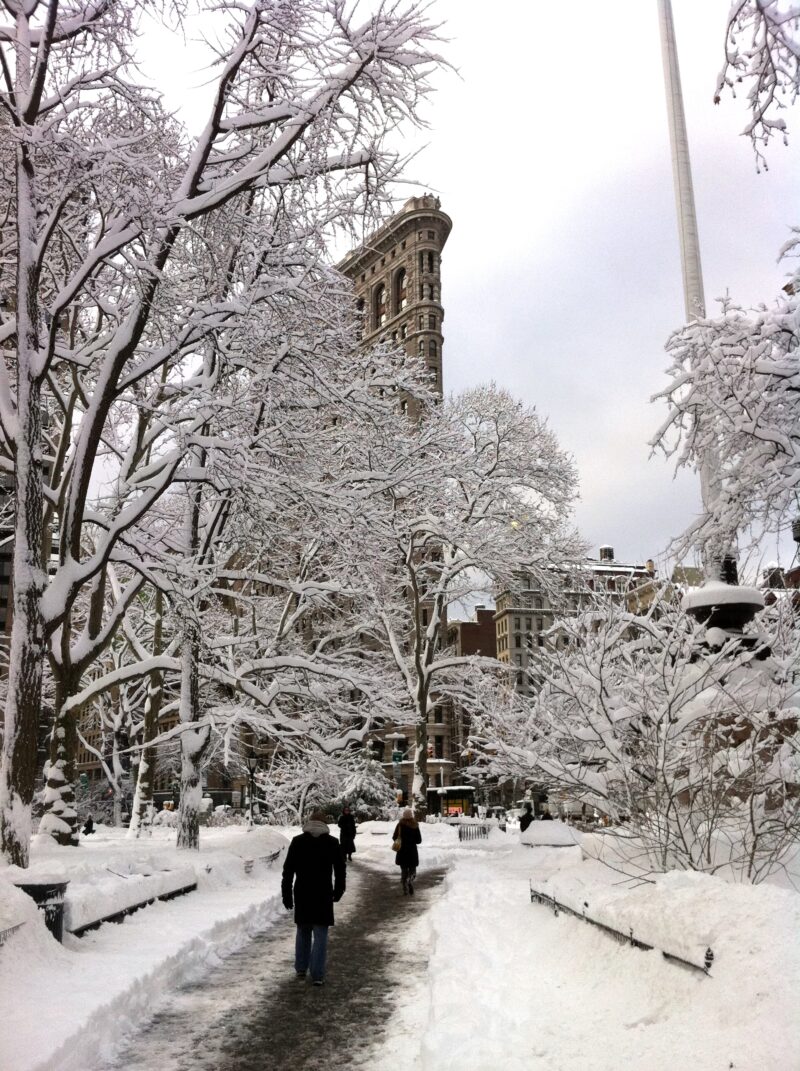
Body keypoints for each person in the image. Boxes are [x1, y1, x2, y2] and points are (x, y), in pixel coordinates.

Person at [281, 811, 346, 986]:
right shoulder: (332, 843)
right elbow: (340, 870)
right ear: (325, 825)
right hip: (323, 893)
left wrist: (286, 894)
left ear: (309, 823)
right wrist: (339, 890)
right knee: (320, 934)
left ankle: (301, 967)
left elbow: (288, 871)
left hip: (302, 892)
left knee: (303, 931)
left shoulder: (298, 842)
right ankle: (317, 974)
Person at [392, 807, 421, 896]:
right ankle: (410, 880)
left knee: (404, 871)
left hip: (402, 851)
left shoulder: (400, 825)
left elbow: (394, 837)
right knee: (413, 871)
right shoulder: (415, 825)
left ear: (404, 816)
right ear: (411, 816)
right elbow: (419, 840)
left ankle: (404, 886)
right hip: (412, 852)